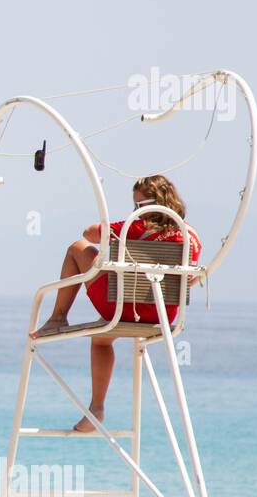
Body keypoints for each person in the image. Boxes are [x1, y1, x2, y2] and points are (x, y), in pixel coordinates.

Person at [31, 175, 201, 433]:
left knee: (78, 248)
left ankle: (58, 318)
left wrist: (124, 225)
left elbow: (87, 232)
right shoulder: (190, 236)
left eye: (137, 205)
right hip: (162, 315)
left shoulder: (135, 226)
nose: (134, 211)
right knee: (102, 338)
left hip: (122, 307)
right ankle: (95, 409)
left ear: (149, 205)